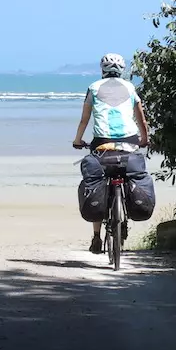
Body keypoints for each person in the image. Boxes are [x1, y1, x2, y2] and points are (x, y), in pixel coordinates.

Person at [72, 53, 151, 254]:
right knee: (127, 172)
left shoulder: (93, 88)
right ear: (122, 70)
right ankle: (125, 206)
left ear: (102, 70)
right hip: (130, 144)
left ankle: (97, 236)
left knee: (99, 183)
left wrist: (78, 140)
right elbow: (141, 119)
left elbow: (85, 119)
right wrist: (144, 138)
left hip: (102, 146)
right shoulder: (130, 88)